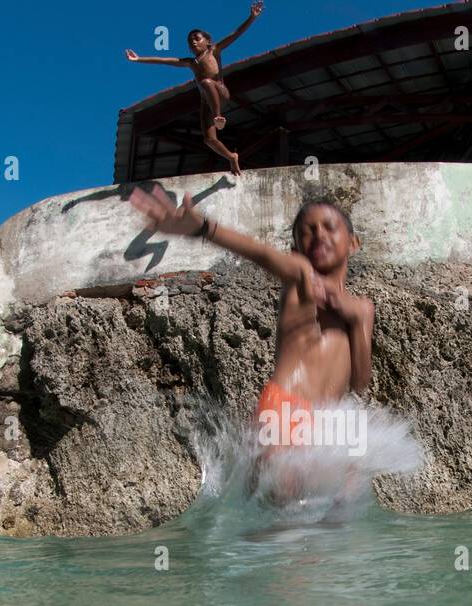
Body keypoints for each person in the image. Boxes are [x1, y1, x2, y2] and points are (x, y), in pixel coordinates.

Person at [129, 184, 373, 503]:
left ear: (353, 243)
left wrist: (354, 321)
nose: (319, 235)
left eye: (330, 227)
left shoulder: (364, 308)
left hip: (332, 420)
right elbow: (261, 253)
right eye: (307, 231)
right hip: (286, 408)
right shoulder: (301, 276)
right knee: (280, 496)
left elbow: (360, 382)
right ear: (296, 248)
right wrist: (205, 228)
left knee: (345, 502)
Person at [124, 2, 263, 178]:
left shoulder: (214, 50)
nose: (194, 42)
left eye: (197, 39)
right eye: (190, 42)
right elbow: (164, 60)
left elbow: (236, 34)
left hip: (220, 92)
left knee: (205, 82)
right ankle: (231, 156)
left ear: (208, 42)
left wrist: (252, 17)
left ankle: (219, 115)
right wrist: (139, 59)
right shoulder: (190, 62)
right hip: (206, 102)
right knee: (209, 139)